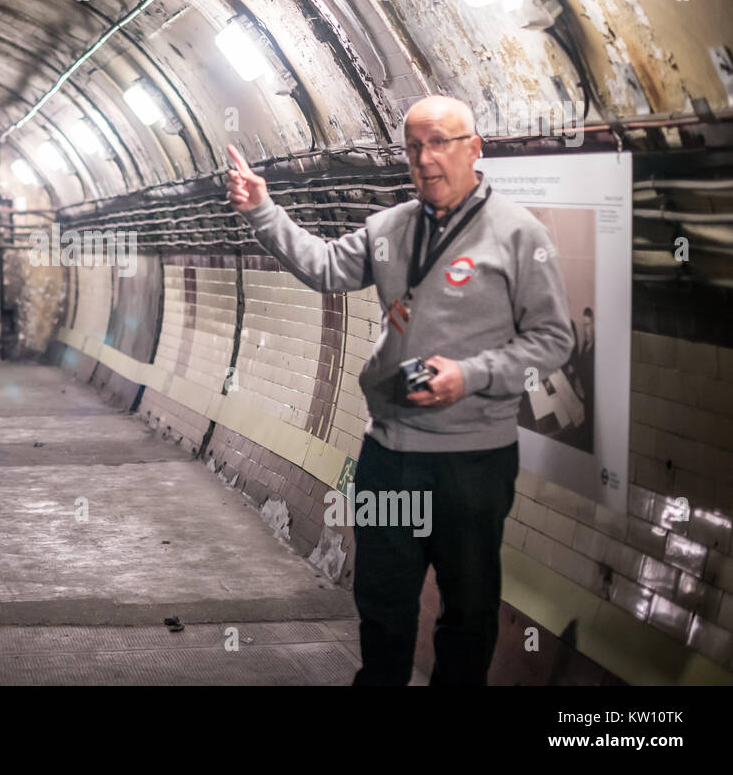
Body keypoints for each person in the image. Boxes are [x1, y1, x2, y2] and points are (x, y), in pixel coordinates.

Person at [226, 95, 574, 685]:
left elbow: (553, 340)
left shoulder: (518, 235)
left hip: (473, 463)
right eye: (414, 146)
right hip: (389, 456)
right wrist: (264, 209)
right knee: (382, 605)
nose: (425, 158)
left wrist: (471, 375)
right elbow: (325, 268)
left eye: (440, 142)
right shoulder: (389, 227)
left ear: (474, 148)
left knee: (468, 611)